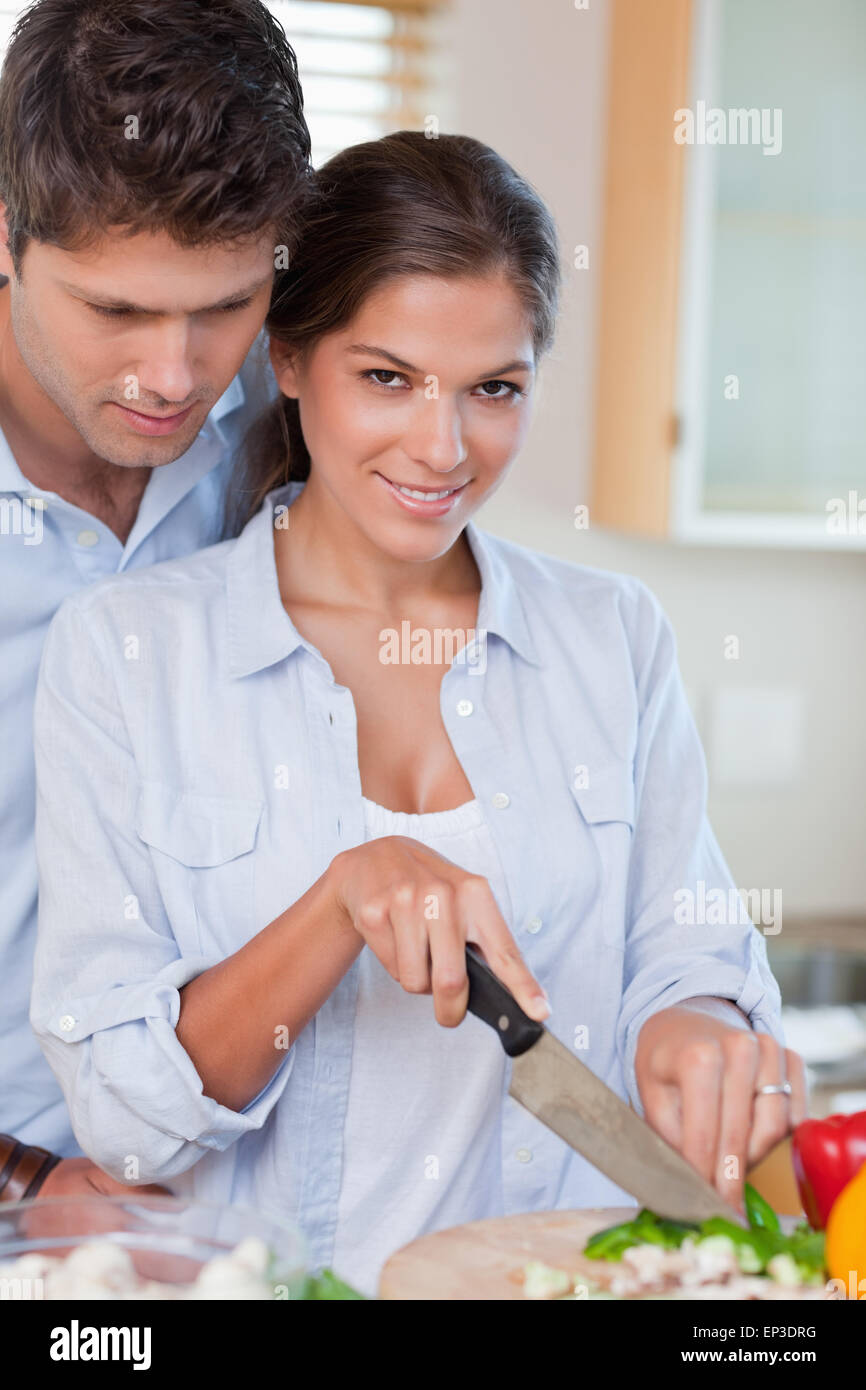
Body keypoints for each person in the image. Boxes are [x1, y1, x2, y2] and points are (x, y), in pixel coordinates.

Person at [31, 130, 804, 1298]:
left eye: (493, 388)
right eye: (386, 378)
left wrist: (691, 1023)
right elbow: (128, 1114)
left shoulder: (611, 638)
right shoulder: (130, 656)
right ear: (290, 360)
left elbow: (682, 948)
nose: (442, 449)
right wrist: (341, 898)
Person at [0, 0, 313, 1203]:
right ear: (10, 238)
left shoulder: (293, 441)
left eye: (223, 306)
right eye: (115, 310)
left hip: (231, 1201)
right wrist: (32, 1186)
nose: (172, 378)